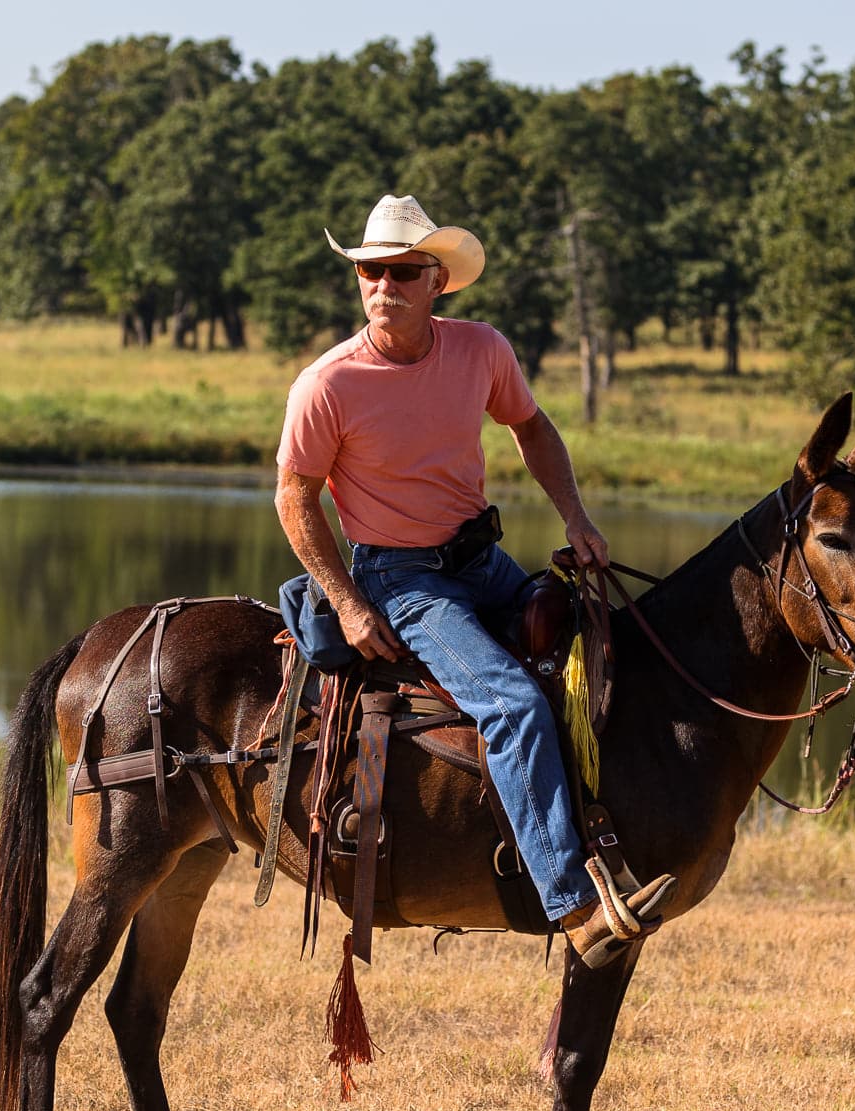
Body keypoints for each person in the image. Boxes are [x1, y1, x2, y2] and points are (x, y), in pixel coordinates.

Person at [273, 194, 674, 964]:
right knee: (515, 702)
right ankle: (573, 904)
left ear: (436, 281)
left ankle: (614, 840)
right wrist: (348, 602)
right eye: (369, 272)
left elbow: (531, 425)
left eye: (399, 272)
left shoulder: (481, 351)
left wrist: (577, 519)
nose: (381, 285)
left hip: (482, 560)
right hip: (401, 582)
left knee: (592, 656)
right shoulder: (327, 385)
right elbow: (293, 497)